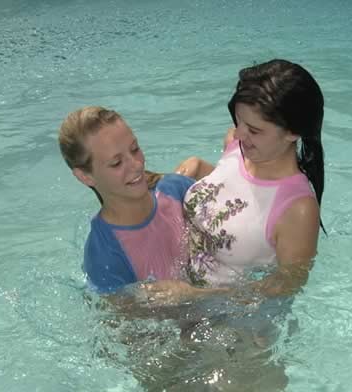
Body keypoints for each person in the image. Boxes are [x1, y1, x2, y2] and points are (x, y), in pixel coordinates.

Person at [181, 58, 325, 297]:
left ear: (293, 132)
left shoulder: (298, 209)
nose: (239, 133)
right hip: (178, 290)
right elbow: (236, 186)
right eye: (238, 121)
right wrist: (196, 170)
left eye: (254, 130)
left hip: (230, 325)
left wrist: (189, 295)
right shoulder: (237, 144)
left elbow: (281, 291)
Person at [58, 106, 217, 298]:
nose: (137, 164)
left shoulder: (176, 191)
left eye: (135, 149)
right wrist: (192, 297)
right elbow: (128, 324)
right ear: (85, 176)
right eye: (116, 163)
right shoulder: (105, 256)